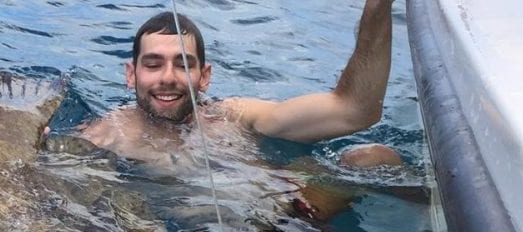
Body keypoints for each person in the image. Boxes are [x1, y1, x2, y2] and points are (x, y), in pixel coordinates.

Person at [76, 3, 402, 216]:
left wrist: (377, 6)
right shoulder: (108, 135)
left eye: (183, 64)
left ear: (205, 76)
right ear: (131, 74)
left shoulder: (235, 115)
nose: (168, 78)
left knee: (374, 157)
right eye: (152, 64)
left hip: (301, 212)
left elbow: (356, 110)